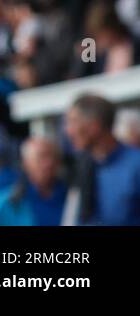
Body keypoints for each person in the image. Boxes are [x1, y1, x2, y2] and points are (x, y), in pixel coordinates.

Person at [64, 94, 140, 225]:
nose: (68, 131)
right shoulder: (80, 169)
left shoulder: (135, 166)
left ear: (94, 125)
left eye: (73, 122)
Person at [0, 137, 68, 226]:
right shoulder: (7, 203)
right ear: (25, 164)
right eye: (41, 157)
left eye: (54, 157)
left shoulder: (72, 195)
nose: (49, 163)